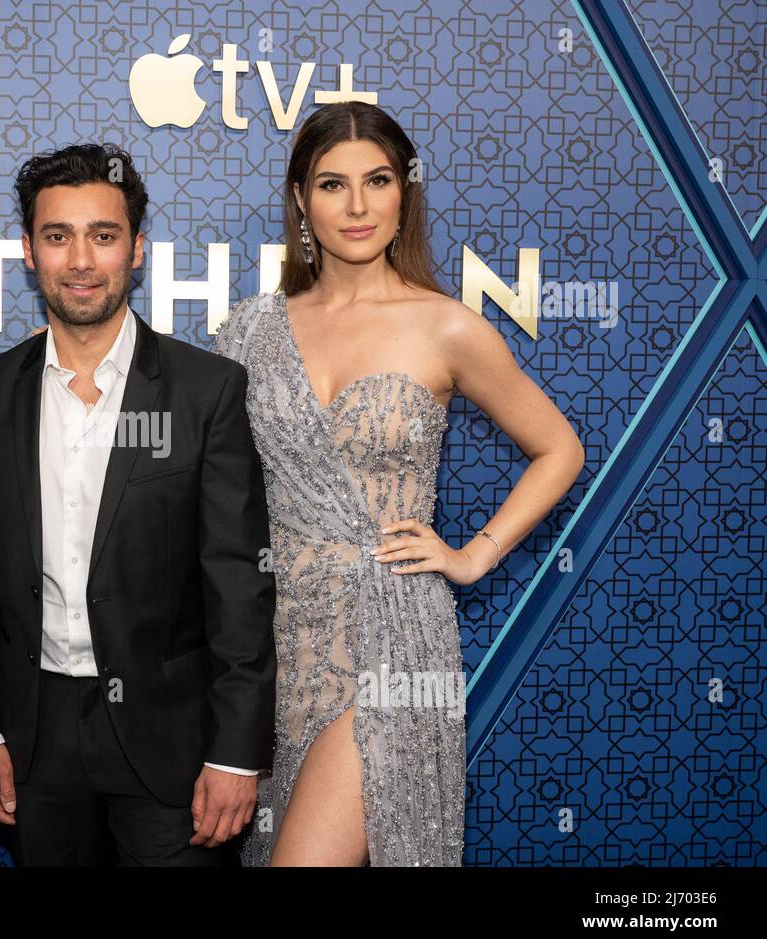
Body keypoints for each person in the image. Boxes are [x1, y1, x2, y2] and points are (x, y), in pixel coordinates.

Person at [214, 102, 585, 866]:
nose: (356, 206)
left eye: (378, 181)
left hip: (393, 636)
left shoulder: (445, 327)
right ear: (299, 199)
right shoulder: (245, 331)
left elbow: (560, 449)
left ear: (405, 193)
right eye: (332, 184)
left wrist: (474, 554)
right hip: (275, 640)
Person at [0, 143, 277, 865]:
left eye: (103, 236)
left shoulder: (205, 391)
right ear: (27, 250)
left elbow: (239, 585)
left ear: (135, 250)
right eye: (56, 236)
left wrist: (235, 753)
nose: (80, 261)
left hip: (172, 746)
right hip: (33, 740)